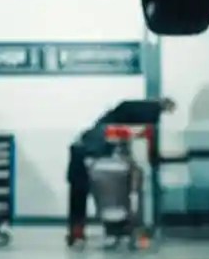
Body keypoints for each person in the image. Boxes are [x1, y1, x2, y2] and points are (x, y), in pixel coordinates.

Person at [66, 97, 175, 245]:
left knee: (78, 194)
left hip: (84, 152)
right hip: (95, 152)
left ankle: (76, 231)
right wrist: (153, 157)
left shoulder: (124, 113)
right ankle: (116, 227)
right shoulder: (150, 113)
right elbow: (148, 137)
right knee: (119, 189)